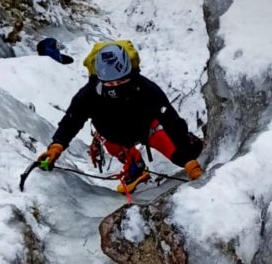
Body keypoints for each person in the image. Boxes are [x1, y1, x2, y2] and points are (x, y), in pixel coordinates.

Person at [37, 41, 204, 193]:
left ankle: (187, 151)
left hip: (148, 130)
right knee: (116, 145)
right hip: (114, 138)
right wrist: (56, 146)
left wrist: (189, 160)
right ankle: (135, 165)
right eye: (110, 84)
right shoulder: (89, 95)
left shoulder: (146, 89)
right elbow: (72, 121)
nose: (115, 87)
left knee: (183, 154)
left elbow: (170, 121)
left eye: (120, 81)